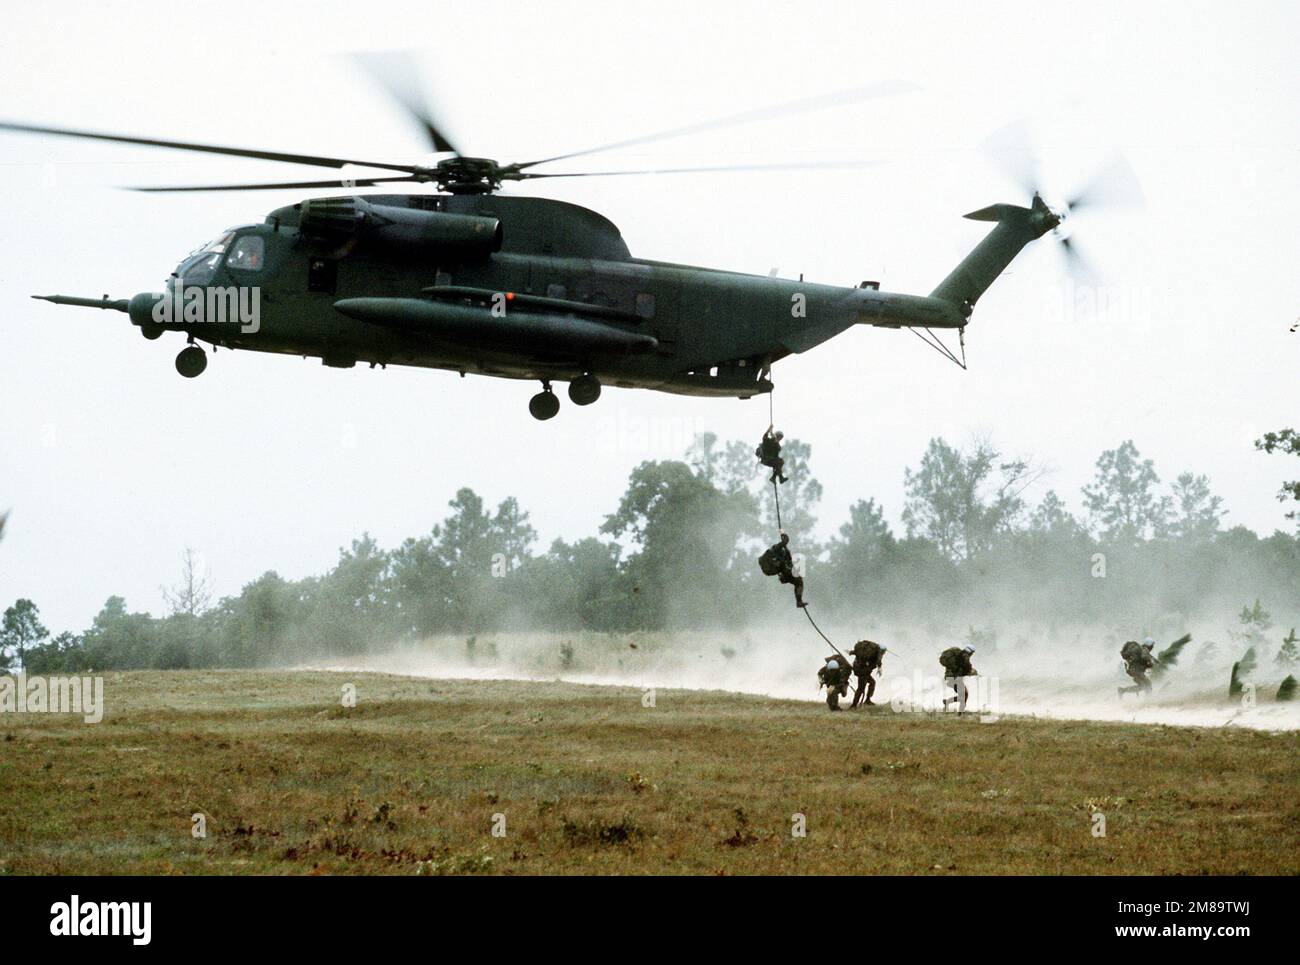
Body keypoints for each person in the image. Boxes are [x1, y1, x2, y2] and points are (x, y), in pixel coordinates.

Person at [758, 531, 805, 607]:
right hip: (768, 564)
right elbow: (782, 544)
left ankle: (799, 601)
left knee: (799, 581)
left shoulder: (787, 556)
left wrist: (790, 576)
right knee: (781, 564)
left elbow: (790, 568)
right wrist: (784, 538)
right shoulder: (776, 550)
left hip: (775, 568)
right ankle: (798, 600)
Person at [939, 644, 976, 712]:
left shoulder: (957, 656)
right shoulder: (965, 657)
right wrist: (972, 672)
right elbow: (965, 670)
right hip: (955, 679)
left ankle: (947, 702)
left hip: (949, 678)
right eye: (972, 652)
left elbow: (958, 670)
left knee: (963, 695)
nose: (972, 654)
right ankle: (960, 713)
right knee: (964, 695)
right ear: (970, 651)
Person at [850, 639, 885, 707]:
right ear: (882, 651)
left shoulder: (869, 653)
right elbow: (878, 660)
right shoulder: (876, 654)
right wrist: (879, 667)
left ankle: (867, 700)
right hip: (863, 672)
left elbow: (855, 652)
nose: (884, 654)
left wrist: (850, 652)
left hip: (862, 671)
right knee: (861, 688)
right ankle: (854, 705)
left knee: (872, 682)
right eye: (884, 652)